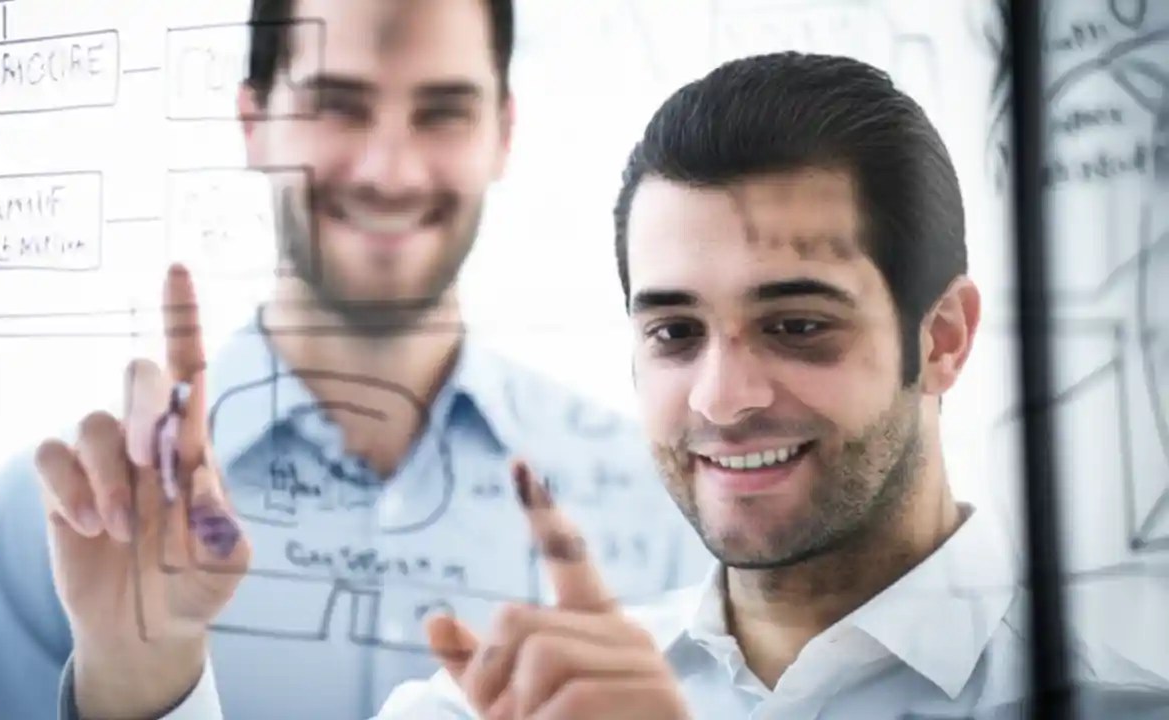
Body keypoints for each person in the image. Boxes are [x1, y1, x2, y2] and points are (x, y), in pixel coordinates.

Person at [94, 51, 1169, 719]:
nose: (720, 396)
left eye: (795, 326)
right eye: (672, 330)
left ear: (940, 339)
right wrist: (147, 674)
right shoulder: (511, 709)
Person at [0, 1, 709, 719]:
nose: (389, 171)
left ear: (503, 133)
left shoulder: (669, 514)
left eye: (442, 112)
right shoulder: (67, 523)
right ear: (252, 120)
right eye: (337, 105)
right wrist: (132, 693)